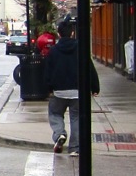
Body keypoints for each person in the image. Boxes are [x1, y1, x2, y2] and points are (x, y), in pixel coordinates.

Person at [43, 17, 100, 156]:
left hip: (59, 91)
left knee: (55, 113)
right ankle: (75, 148)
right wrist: (94, 87)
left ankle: (59, 134)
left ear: (59, 33)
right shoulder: (81, 48)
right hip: (78, 91)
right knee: (76, 118)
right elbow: (89, 68)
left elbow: (47, 71)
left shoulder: (54, 51)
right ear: (72, 33)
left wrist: (48, 88)